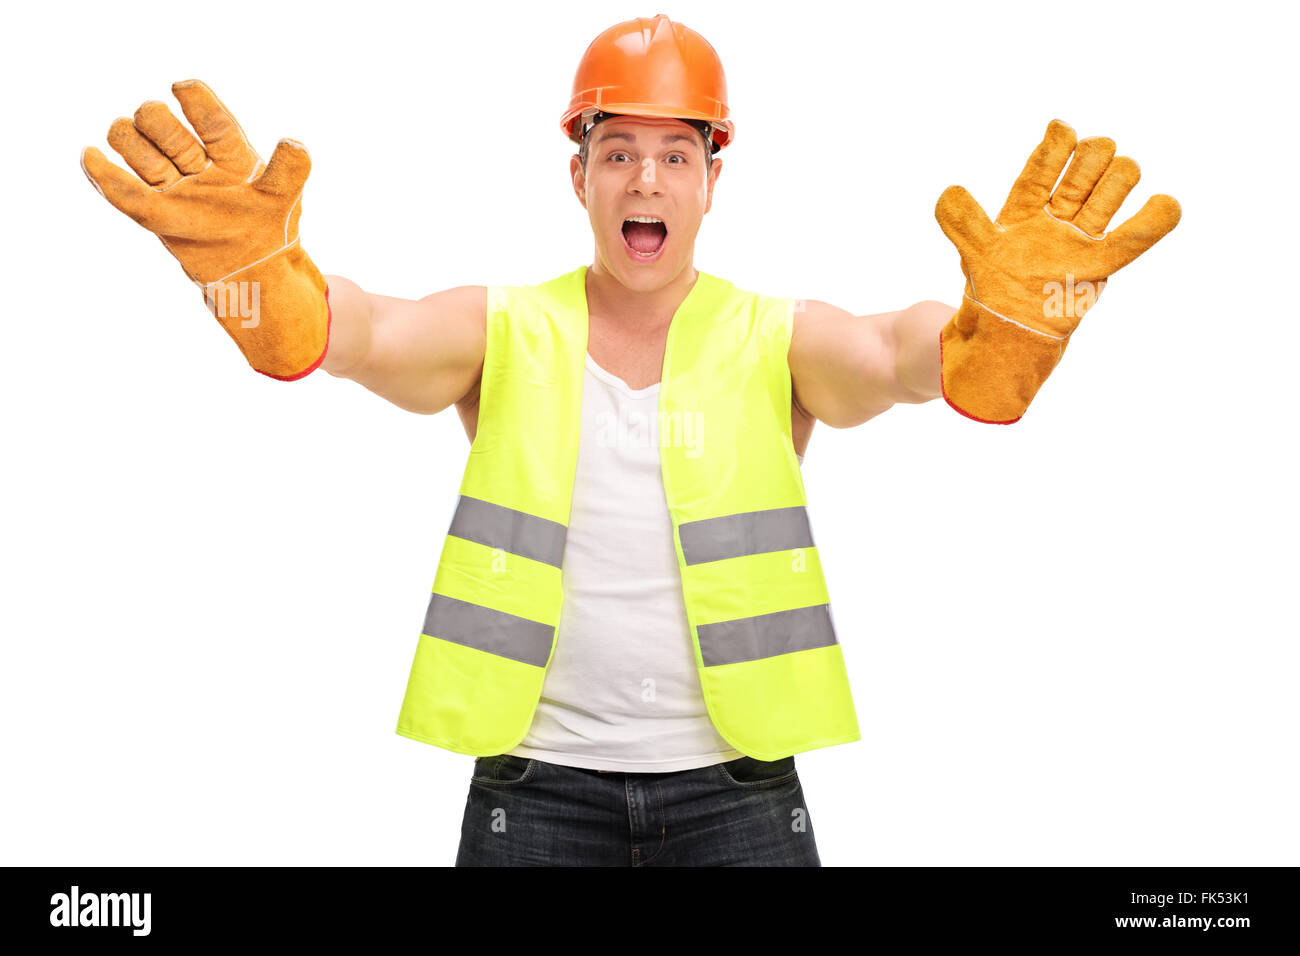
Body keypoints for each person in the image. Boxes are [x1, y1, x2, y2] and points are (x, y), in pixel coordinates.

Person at [79, 14, 1180, 867]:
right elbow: (370, 331)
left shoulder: (774, 337)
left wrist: (998, 336)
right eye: (616, 153)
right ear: (579, 177)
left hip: (738, 793)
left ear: (710, 182)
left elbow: (896, 352)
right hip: (535, 791)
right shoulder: (500, 326)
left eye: (672, 155)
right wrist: (270, 288)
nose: (644, 178)